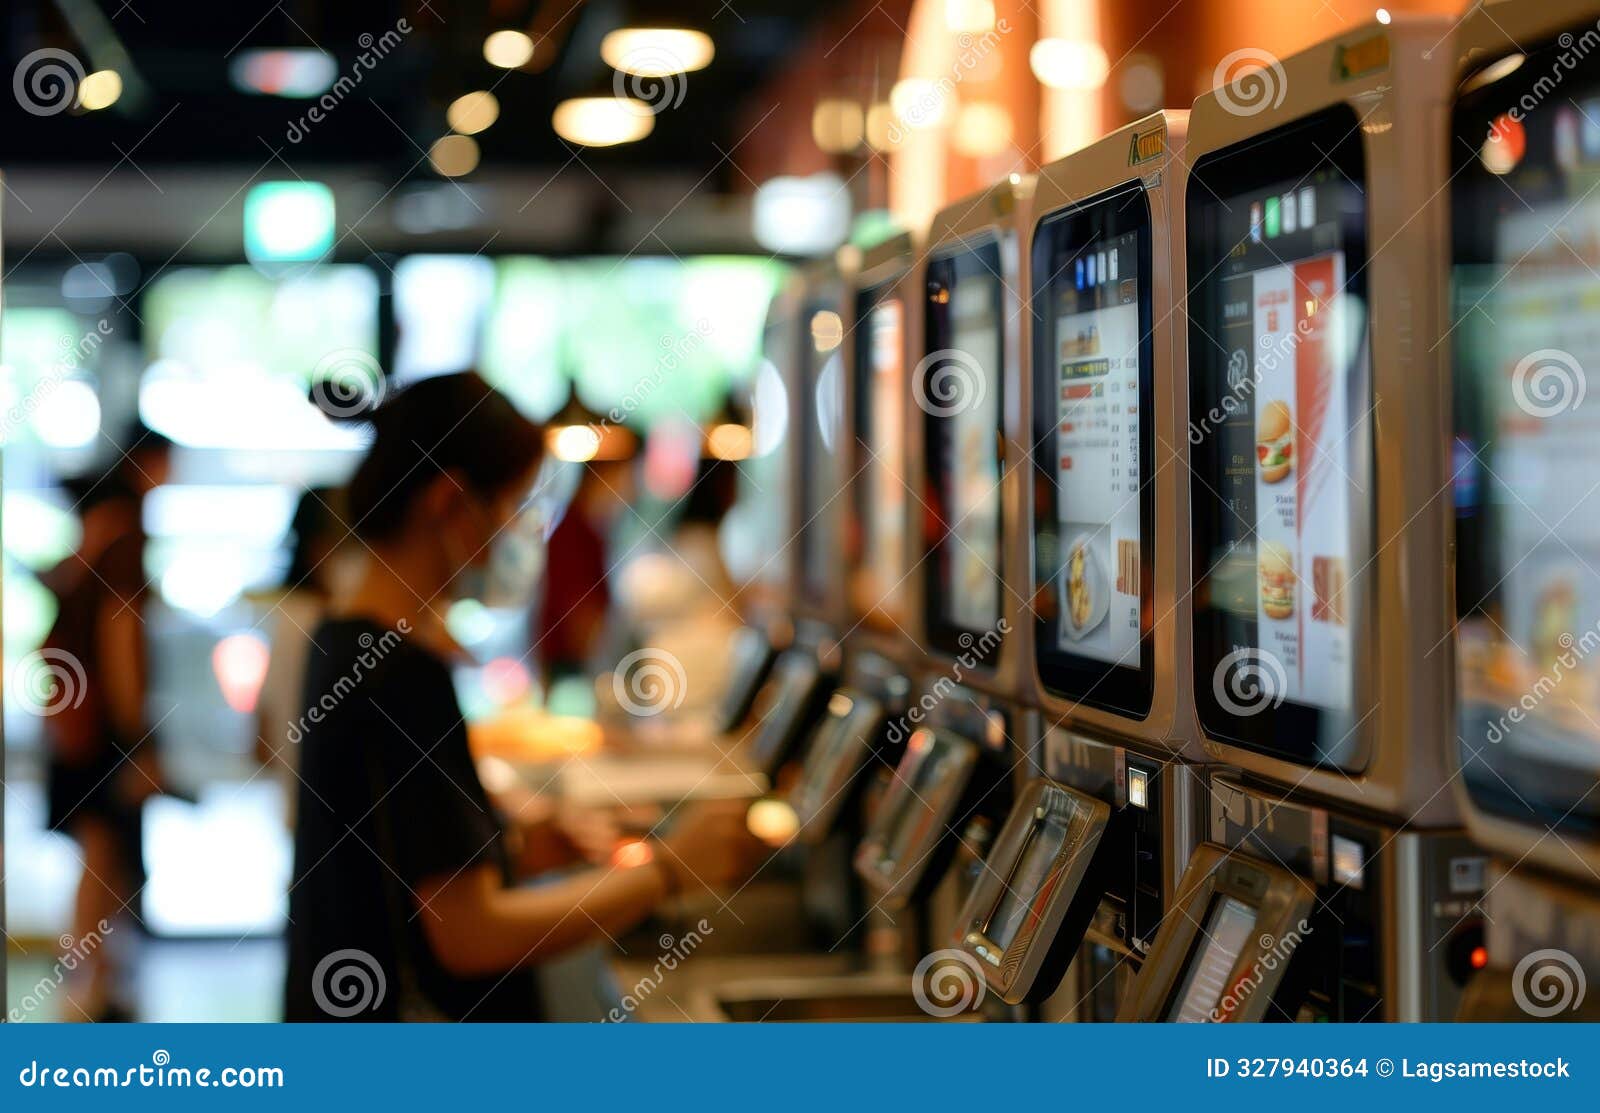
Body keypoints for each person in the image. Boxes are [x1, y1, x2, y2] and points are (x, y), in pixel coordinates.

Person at [284, 373, 763, 1022]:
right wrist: (669, 872)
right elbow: (468, 933)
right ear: (449, 503)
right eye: (511, 506)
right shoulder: (400, 672)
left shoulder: (340, 639)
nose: (515, 532)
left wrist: (526, 846)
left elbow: (406, 872)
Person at [39, 426, 173, 1022]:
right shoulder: (126, 531)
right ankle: (85, 984)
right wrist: (138, 731)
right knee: (103, 848)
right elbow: (121, 638)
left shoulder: (98, 526)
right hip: (106, 722)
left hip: (77, 714)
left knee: (100, 849)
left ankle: (92, 976)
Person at [254, 487, 362, 826]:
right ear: (322, 549)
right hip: (326, 814)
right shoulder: (322, 624)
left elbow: (262, 738)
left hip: (302, 809)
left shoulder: (290, 615)